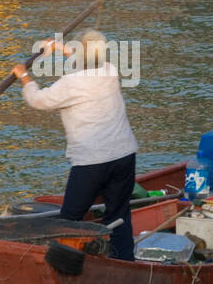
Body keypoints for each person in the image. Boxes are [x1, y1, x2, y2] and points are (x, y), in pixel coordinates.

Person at [12, 29, 138, 261]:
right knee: (118, 214)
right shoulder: (109, 70)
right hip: (124, 155)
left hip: (92, 161)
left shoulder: (71, 83)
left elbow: (38, 100)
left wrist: (24, 77)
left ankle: (63, 264)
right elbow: (89, 59)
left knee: (71, 217)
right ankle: (124, 260)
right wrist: (59, 48)